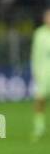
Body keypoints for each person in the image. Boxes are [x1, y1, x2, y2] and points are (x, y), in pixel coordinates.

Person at [32, 8, 50, 141]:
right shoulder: (39, 34)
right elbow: (35, 55)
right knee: (40, 99)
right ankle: (39, 126)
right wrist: (35, 72)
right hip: (44, 72)